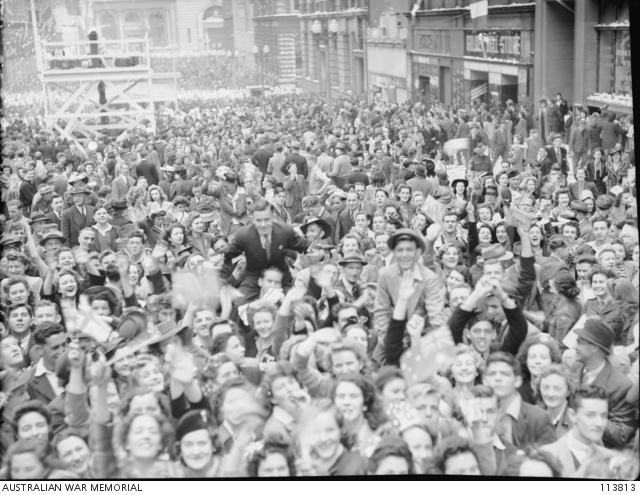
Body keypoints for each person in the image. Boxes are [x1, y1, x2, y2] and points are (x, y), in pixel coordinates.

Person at [570, 317, 635, 449]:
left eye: (580, 342)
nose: (574, 346)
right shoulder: (577, 368)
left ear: (594, 347)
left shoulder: (621, 386)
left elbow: (621, 434)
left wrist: (589, 414)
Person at [541, 385, 614, 478]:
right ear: (572, 415)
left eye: (604, 416)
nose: (599, 423)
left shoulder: (610, 457)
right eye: (590, 415)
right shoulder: (547, 455)